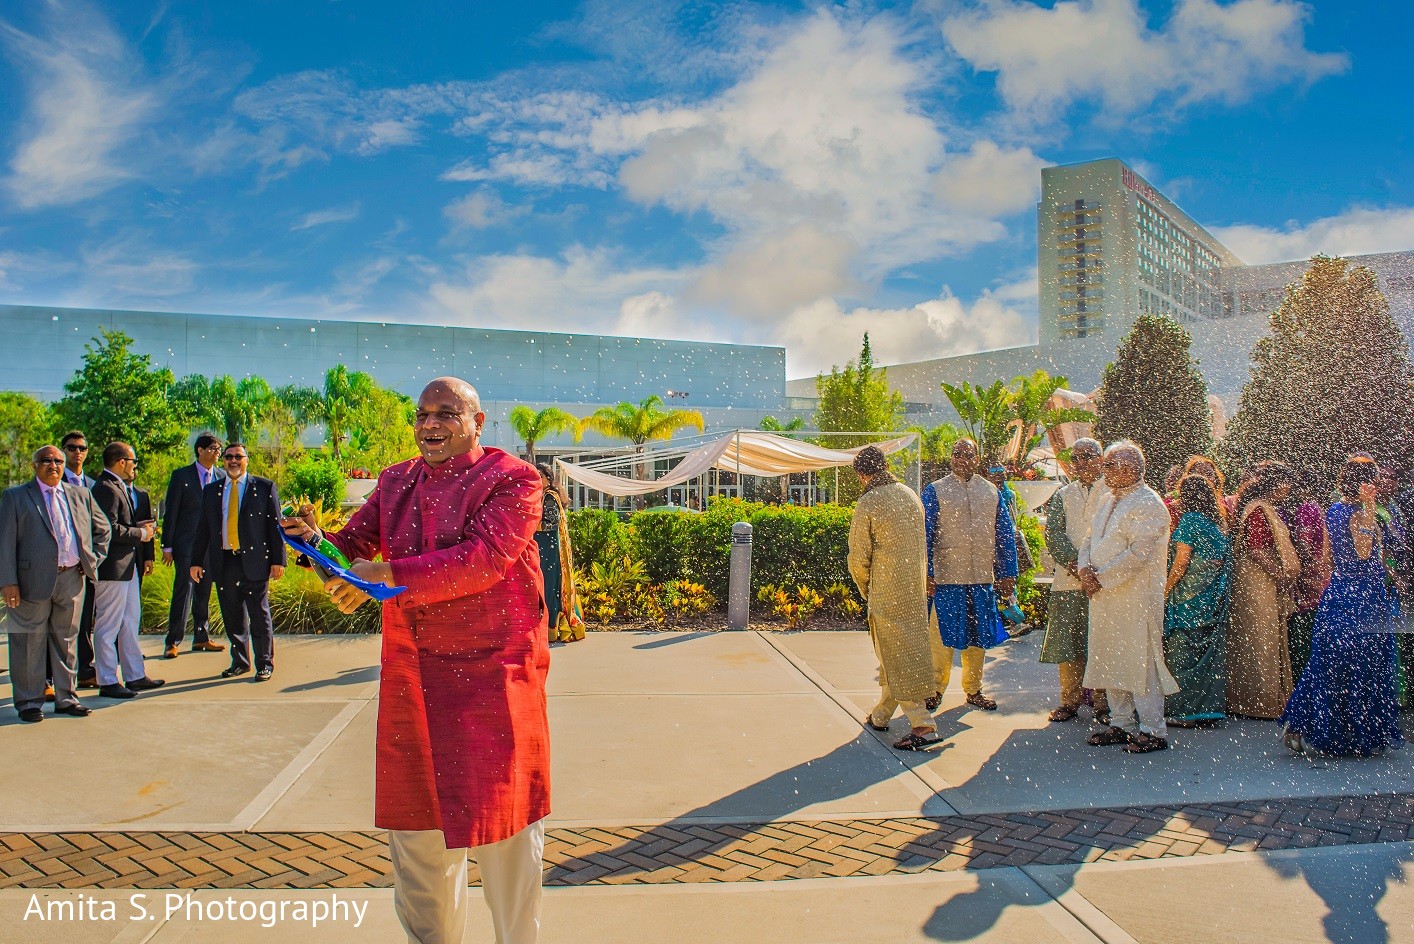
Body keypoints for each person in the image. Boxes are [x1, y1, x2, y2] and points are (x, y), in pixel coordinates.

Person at [282, 377, 549, 944]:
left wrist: (384, 577)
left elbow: (484, 560)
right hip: (412, 680)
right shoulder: (397, 480)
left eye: (447, 413)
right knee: (418, 839)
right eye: (424, 413)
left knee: (504, 836)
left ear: (478, 422)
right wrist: (316, 545)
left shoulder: (513, 480)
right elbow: (353, 546)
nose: (431, 424)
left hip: (491, 680)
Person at [1280, 456, 1403, 756]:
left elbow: (1329, 559)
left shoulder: (1333, 510)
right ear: (1364, 482)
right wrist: (1370, 510)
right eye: (1372, 478)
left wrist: (1389, 574)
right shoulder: (1359, 513)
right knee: (1361, 665)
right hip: (1360, 600)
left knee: (1330, 663)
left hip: (1341, 594)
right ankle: (1347, 733)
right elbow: (1362, 553)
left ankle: (1305, 727)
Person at [0, 446, 111, 722]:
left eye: (58, 461)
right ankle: (28, 702)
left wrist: (91, 561)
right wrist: (8, 582)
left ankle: (67, 698)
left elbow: (103, 529)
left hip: (72, 578)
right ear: (34, 465)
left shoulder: (80, 494)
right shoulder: (15, 496)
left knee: (67, 642)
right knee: (28, 642)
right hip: (28, 584)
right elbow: (4, 543)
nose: (53, 465)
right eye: (46, 461)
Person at [1080, 441, 1178, 754]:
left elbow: (1139, 554)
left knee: (1142, 661)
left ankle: (1153, 729)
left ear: (1131, 468)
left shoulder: (1149, 504)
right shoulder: (1107, 499)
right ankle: (1121, 723)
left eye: (1109, 465)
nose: (1103, 470)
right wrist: (1085, 570)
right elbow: (1089, 539)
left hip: (1135, 598)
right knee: (1110, 657)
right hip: (1104, 596)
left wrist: (1101, 578)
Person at [848, 446, 940, 751]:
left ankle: (922, 724)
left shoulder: (869, 502)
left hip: (886, 590)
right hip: (913, 589)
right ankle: (881, 714)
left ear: (862, 474)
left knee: (895, 655)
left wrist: (866, 588)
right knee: (901, 651)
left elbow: (858, 557)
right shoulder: (910, 495)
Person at [922, 438, 1018, 712]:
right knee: (941, 638)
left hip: (981, 579)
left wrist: (1007, 571)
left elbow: (1004, 535)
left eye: (968, 455)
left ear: (977, 459)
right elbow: (924, 537)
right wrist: (926, 573)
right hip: (946, 579)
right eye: (957, 454)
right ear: (951, 459)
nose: (962, 459)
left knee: (978, 638)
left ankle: (974, 689)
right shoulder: (935, 491)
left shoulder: (990, 492)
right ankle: (935, 689)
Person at [190, 443, 285, 681]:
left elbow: (276, 528)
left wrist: (278, 560)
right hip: (224, 561)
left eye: (238, 457)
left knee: (259, 615)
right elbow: (203, 529)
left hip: (254, 561)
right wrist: (195, 561)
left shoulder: (263, 487)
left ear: (247, 460)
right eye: (229, 457)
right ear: (223, 461)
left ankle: (265, 663)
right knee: (232, 616)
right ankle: (240, 662)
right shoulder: (212, 491)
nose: (233, 461)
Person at [1039, 438, 1109, 723]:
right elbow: (1053, 534)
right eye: (1076, 458)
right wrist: (1075, 565)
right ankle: (1069, 701)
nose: (1081, 463)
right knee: (1070, 644)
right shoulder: (1063, 494)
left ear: (1101, 459)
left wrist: (1094, 569)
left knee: (1102, 643)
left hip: (1103, 582)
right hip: (1068, 581)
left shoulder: (1112, 493)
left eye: (1087, 457)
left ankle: (1105, 704)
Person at [1226, 461, 1300, 719]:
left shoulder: (1264, 508)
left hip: (1262, 579)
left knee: (1265, 636)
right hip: (1256, 580)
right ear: (1271, 484)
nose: (1288, 487)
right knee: (1260, 638)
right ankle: (1257, 702)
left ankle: (1263, 699)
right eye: (1284, 481)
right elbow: (1255, 549)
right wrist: (1279, 574)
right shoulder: (1258, 510)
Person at [91, 443, 163, 699]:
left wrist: (137, 525)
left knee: (130, 621)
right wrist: (140, 533)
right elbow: (107, 529)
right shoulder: (106, 488)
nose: (135, 467)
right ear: (121, 462)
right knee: (108, 625)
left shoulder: (115, 486)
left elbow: (119, 524)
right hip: (112, 568)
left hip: (127, 567)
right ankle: (108, 680)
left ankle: (134, 675)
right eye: (133, 462)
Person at [1162, 474, 1232, 726]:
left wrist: (1165, 590)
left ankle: (1184, 711)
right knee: (1206, 655)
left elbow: (1182, 563)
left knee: (1182, 653)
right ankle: (1206, 709)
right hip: (1211, 597)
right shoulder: (1217, 524)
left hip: (1188, 598)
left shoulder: (1191, 520)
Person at [161, 433, 227, 659]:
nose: (216, 453)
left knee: (204, 592)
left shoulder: (221, 476)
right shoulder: (181, 476)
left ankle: (201, 637)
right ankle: (173, 641)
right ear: (199, 450)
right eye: (212, 448)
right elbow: (171, 512)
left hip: (211, 546)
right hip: (186, 545)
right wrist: (167, 546)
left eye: (219, 449)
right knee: (183, 591)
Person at [1282, 467, 1331, 680]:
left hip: (1308, 583)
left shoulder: (1305, 509)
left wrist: (1303, 571)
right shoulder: (1316, 507)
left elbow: (1305, 544)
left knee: (1302, 631)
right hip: (1317, 579)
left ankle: (1302, 680)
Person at [59, 430, 99, 691]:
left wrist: (96, 559)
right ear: (63, 450)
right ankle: (51, 678)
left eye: (82, 448)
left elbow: (101, 527)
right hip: (59, 566)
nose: (77, 452)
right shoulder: (50, 480)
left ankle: (85, 670)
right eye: (72, 447)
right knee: (58, 625)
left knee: (86, 621)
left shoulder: (94, 486)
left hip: (87, 566)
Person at [533, 462, 584, 644]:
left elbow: (551, 523)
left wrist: (528, 526)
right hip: (541, 546)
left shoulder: (550, 497)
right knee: (541, 584)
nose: (538, 479)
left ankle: (553, 626)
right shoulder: (538, 495)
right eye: (536, 475)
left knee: (549, 584)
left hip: (549, 546)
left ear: (549, 478)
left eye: (541, 476)